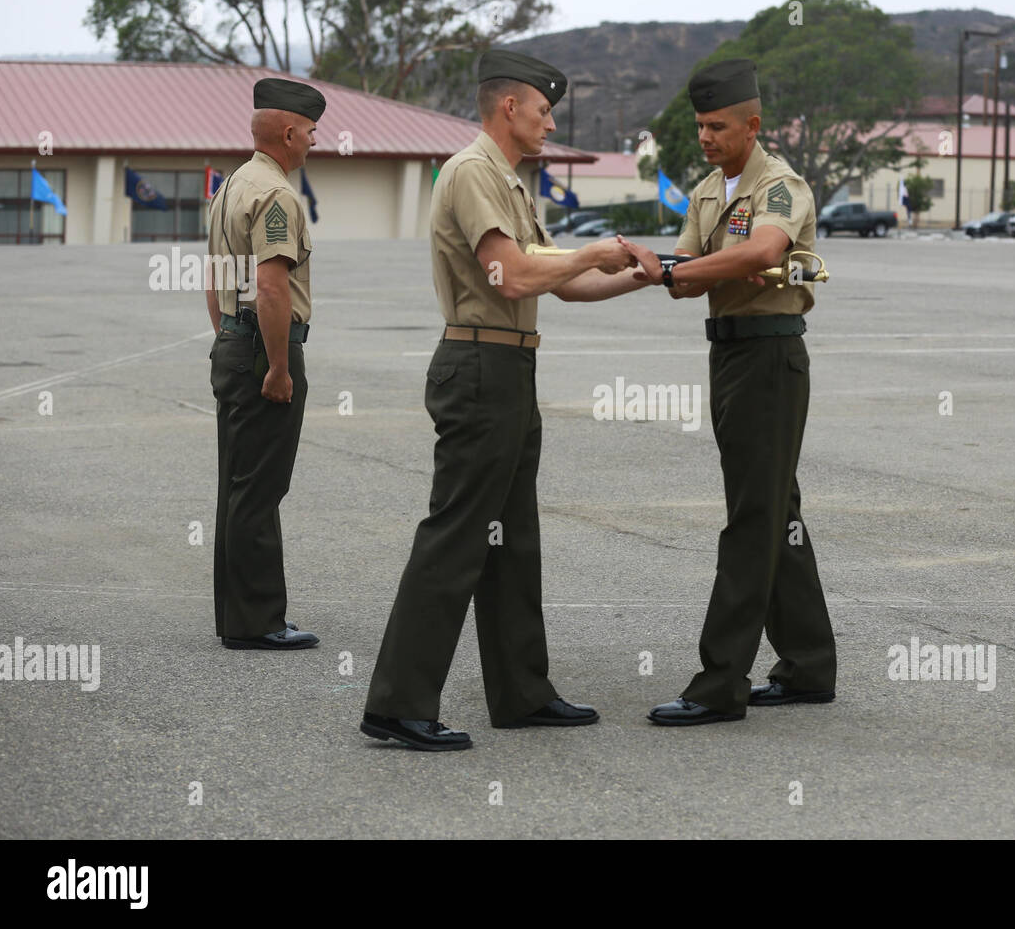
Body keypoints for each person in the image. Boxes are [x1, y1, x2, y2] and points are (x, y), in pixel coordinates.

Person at [360, 50, 648, 752]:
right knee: (457, 535)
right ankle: (397, 704)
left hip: (511, 369)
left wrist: (648, 275)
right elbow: (515, 276)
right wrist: (588, 255)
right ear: (509, 108)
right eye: (545, 111)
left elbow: (562, 284)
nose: (551, 124)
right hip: (479, 366)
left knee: (511, 540)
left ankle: (522, 692)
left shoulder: (514, 185)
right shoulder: (472, 174)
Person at [619, 59, 836, 726]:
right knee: (774, 510)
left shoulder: (779, 185)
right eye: (700, 126)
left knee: (751, 521)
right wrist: (631, 268)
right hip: (728, 355)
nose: (706, 137)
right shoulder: (711, 190)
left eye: (718, 126)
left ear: (753, 124)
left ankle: (719, 682)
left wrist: (684, 270)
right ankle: (807, 665)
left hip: (770, 356)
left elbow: (761, 254)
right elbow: (685, 275)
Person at [205, 78, 325, 651]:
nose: (314, 142)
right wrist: (276, 367)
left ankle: (236, 613)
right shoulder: (276, 194)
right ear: (288, 131)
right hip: (262, 350)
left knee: (236, 483)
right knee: (260, 489)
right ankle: (258, 623)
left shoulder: (230, 186)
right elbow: (273, 288)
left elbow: (217, 277)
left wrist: (228, 336)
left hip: (233, 342)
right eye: (311, 132)